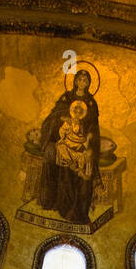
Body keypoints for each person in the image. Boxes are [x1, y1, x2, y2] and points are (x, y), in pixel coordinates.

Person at [37, 69, 101, 224]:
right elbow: (54, 117)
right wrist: (65, 120)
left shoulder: (91, 102)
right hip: (64, 140)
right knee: (58, 157)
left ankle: (79, 211)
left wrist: (89, 138)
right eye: (80, 79)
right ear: (75, 81)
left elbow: (93, 126)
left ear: (89, 83)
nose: (82, 82)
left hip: (82, 143)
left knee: (85, 167)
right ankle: (58, 203)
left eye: (86, 80)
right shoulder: (67, 97)